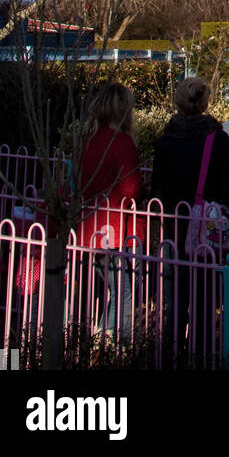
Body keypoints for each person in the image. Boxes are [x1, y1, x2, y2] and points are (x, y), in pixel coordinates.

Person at [151, 76, 229, 362]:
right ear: (204, 103)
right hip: (208, 228)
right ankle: (201, 352)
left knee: (177, 293)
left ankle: (172, 349)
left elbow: (157, 189)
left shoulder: (164, 141)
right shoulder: (217, 139)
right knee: (205, 294)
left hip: (175, 224)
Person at [80, 82, 142, 340]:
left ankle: (103, 339)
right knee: (125, 291)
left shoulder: (87, 140)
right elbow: (131, 188)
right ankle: (113, 344)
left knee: (115, 290)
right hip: (116, 228)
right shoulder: (122, 142)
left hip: (90, 227)